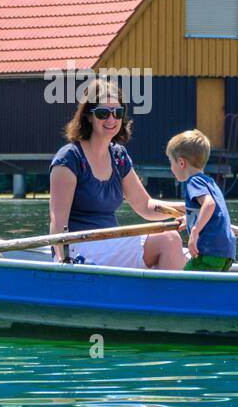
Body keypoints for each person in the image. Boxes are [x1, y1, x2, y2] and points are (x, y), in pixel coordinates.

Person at [48, 79, 186, 269]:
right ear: (88, 116)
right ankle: (167, 298)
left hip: (112, 243)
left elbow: (145, 205)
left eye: (117, 113)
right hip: (79, 248)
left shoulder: (119, 156)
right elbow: (58, 220)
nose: (111, 120)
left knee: (182, 251)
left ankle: (165, 296)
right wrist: (61, 260)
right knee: (169, 239)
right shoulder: (69, 158)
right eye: (103, 113)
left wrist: (186, 209)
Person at [166, 130, 237, 271]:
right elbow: (212, 212)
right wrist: (190, 219)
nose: (170, 168)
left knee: (185, 286)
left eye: (170, 162)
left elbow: (209, 204)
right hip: (225, 251)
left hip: (209, 251)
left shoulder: (193, 182)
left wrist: (195, 230)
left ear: (181, 163)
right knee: (208, 291)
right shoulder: (209, 182)